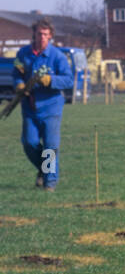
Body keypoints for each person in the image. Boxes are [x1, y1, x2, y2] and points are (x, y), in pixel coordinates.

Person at [13, 18, 74, 190]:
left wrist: (50, 80)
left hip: (51, 107)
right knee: (29, 143)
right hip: (29, 107)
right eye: (39, 33)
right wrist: (18, 83)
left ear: (50, 36)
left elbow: (69, 80)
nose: (42, 37)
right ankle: (44, 169)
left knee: (50, 146)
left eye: (46, 34)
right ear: (34, 34)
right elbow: (16, 72)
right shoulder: (22, 54)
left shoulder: (57, 57)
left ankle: (50, 183)